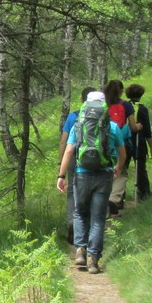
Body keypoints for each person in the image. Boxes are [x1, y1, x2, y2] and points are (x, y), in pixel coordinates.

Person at [56, 89, 128, 274]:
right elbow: (122, 153)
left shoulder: (77, 126)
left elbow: (69, 152)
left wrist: (61, 176)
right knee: (98, 217)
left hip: (81, 174)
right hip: (104, 175)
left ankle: (80, 250)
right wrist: (118, 167)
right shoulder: (112, 127)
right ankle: (93, 259)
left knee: (80, 212)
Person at [58, 87, 92, 243]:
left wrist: (61, 165)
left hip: (73, 157)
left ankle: (72, 224)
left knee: (72, 191)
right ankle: (87, 228)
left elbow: (64, 141)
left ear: (81, 99)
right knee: (91, 193)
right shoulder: (101, 117)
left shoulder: (73, 116)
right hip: (93, 160)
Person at [104, 79, 134, 216]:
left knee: (107, 172)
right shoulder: (126, 105)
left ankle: (107, 202)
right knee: (121, 172)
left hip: (105, 143)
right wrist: (139, 127)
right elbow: (133, 126)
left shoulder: (103, 104)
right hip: (121, 141)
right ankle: (114, 200)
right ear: (121, 91)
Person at [125, 82, 152, 202]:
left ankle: (119, 194)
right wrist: (151, 148)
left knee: (122, 167)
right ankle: (144, 193)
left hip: (125, 141)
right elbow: (147, 130)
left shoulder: (124, 106)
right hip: (138, 141)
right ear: (141, 94)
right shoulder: (142, 109)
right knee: (140, 168)